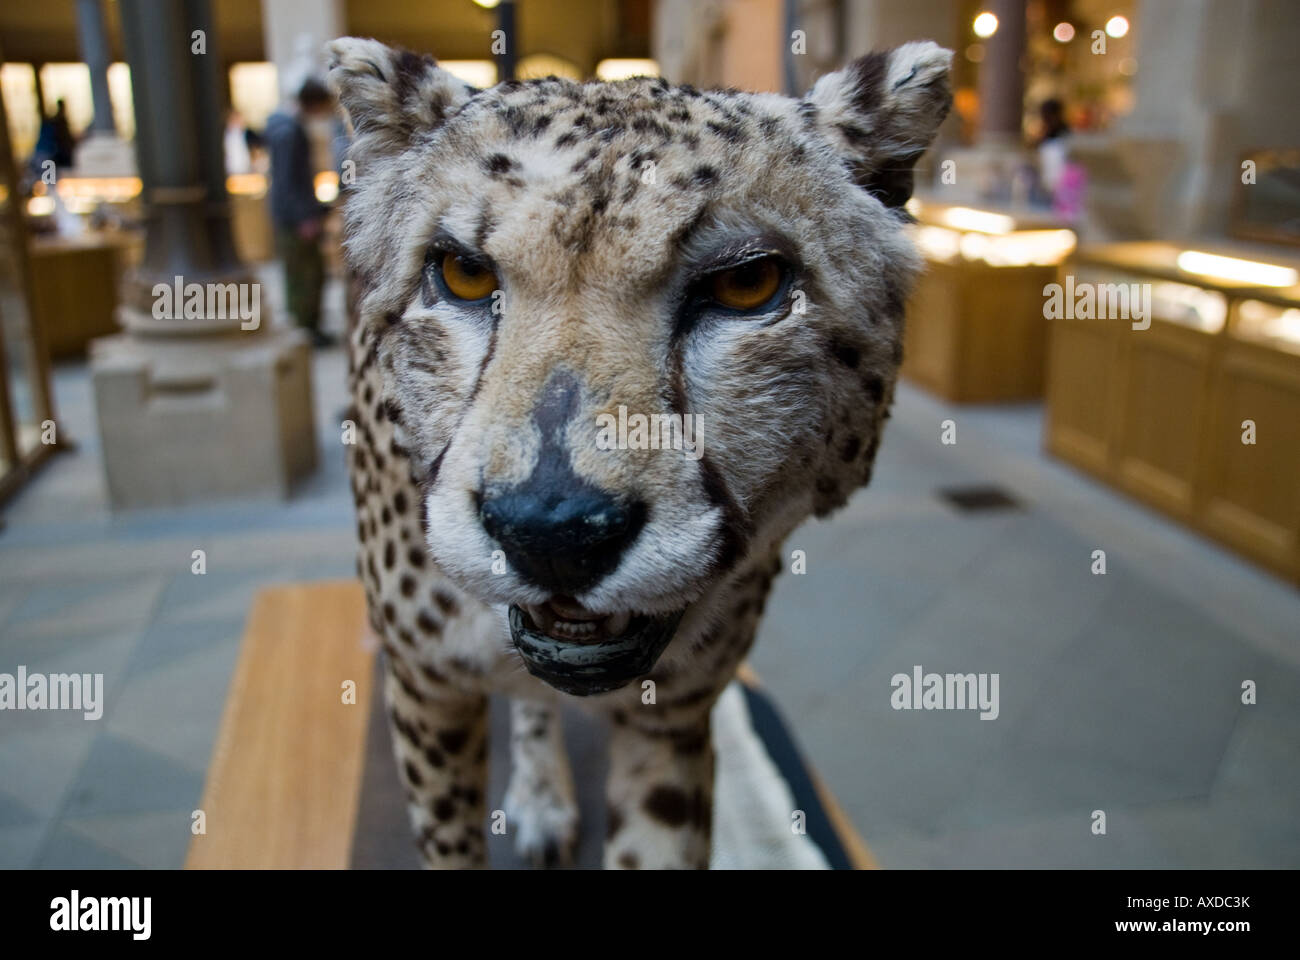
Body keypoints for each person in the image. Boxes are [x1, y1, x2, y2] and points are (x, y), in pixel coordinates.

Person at [265, 78, 335, 347]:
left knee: (308, 274)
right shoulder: (288, 131)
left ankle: (308, 327)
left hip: (293, 215)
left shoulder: (286, 126)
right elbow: (287, 180)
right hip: (294, 220)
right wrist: (303, 217)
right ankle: (304, 331)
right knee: (303, 276)